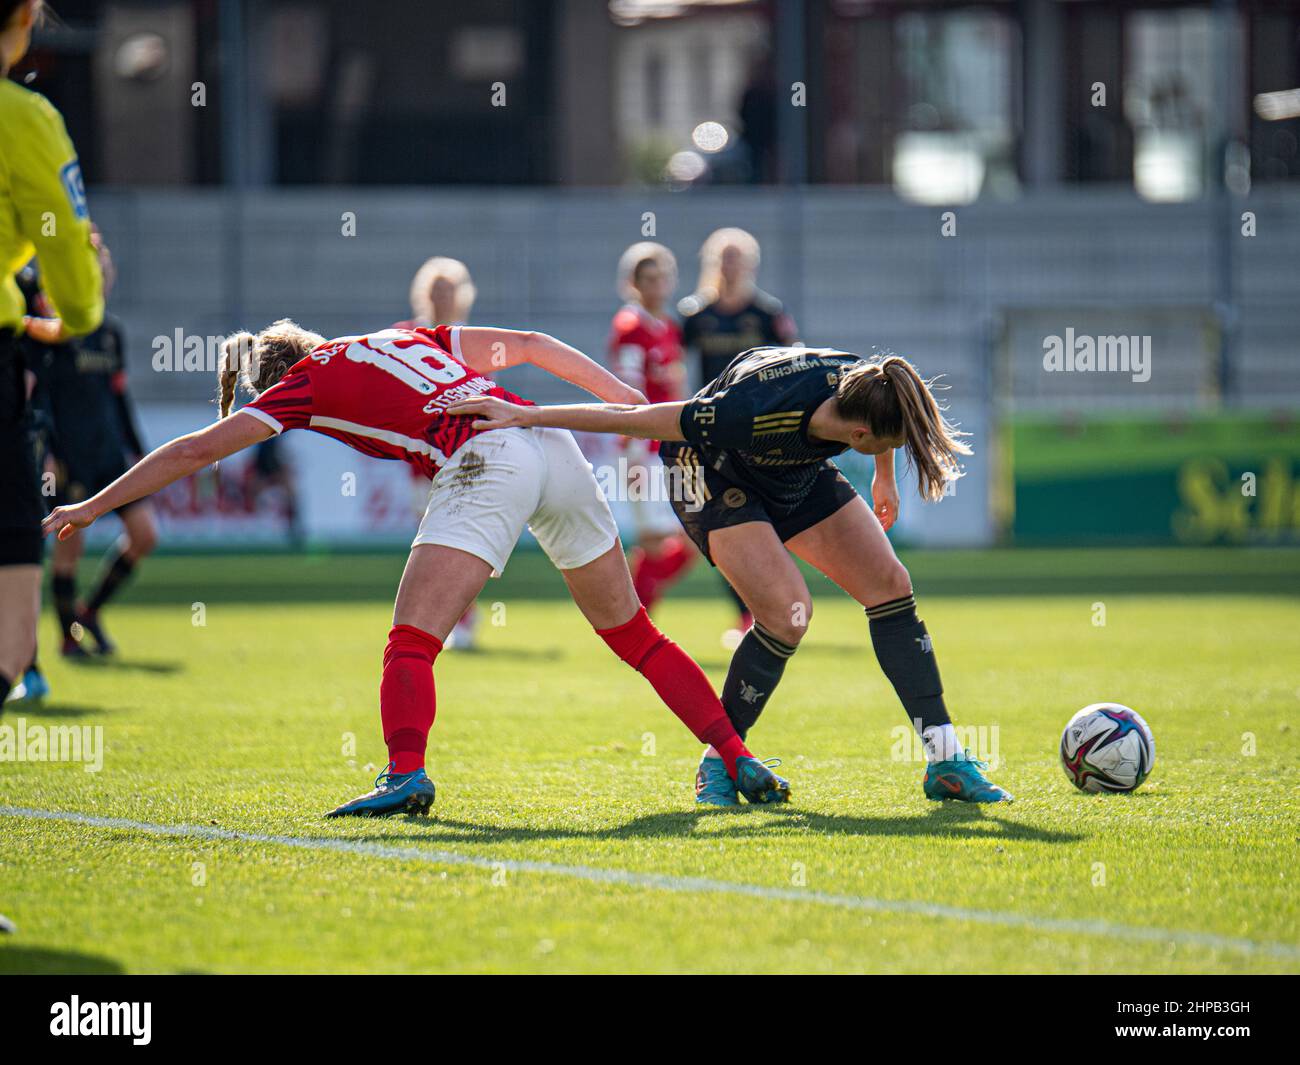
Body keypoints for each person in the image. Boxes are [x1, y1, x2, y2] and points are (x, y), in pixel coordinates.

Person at [41, 322, 792, 815]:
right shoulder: (401, 336)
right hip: (548, 438)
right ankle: (736, 754)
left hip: (488, 454)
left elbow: (193, 450)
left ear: (274, 376)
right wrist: (625, 402)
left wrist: (89, 506)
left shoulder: (300, 384)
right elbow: (529, 342)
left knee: (410, 639)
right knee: (635, 635)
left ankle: (405, 774)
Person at [448, 346, 1013, 807]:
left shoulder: (863, 381)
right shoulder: (750, 409)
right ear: (860, 435)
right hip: (710, 467)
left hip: (791, 467)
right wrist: (529, 415)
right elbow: (635, 418)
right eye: (882, 449)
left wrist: (885, 475)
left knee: (891, 585)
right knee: (789, 613)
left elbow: (889, 412)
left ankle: (945, 761)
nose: (882, 452)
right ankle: (721, 762)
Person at [1, 0, 103, 716]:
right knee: (14, 549)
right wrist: (79, 311)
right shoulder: (23, 116)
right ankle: (27, 660)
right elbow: (67, 237)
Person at [24, 232, 158, 659]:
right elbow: (41, 394)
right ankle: (67, 636)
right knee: (70, 544)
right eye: (93, 269)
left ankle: (91, 611)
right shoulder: (56, 330)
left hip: (109, 454)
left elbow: (118, 398)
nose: (102, 276)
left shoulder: (111, 333)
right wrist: (50, 452)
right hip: (71, 455)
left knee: (145, 535)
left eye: (104, 269)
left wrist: (139, 450)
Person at [679, 228, 796, 640]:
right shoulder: (695, 314)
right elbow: (673, 363)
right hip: (712, 432)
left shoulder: (767, 314)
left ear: (750, 263)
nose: (730, 266)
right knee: (726, 523)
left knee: (767, 520)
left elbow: (793, 363)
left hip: (759, 431)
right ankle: (746, 615)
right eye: (723, 258)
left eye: (737, 258)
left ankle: (772, 607)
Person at [394, 255, 479, 648]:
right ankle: (430, 625)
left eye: (449, 290)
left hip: (463, 458)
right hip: (422, 461)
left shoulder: (471, 339)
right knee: (430, 546)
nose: (442, 297)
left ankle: (463, 622)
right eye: (436, 290)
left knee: (465, 543)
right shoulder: (405, 337)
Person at [607, 243, 695, 614]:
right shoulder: (630, 328)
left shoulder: (668, 327)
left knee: (689, 537)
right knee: (661, 540)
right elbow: (626, 393)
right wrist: (632, 449)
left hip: (671, 442)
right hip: (644, 445)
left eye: (663, 277)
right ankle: (630, 614)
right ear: (632, 283)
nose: (657, 285)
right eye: (648, 279)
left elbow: (674, 385)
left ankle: (628, 609)